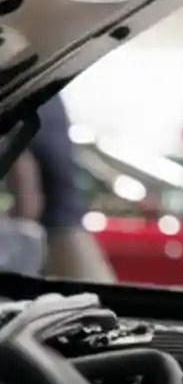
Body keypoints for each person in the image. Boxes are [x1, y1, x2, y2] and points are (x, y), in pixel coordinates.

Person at [23, 95, 116, 282]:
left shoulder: (23, 111)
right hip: (77, 235)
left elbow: (27, 205)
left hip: (58, 239)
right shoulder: (51, 99)